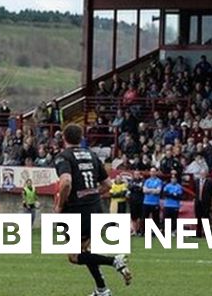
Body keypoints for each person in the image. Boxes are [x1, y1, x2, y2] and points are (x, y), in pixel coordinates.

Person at [54, 123, 132, 296]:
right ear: (81, 138)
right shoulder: (91, 155)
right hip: (95, 208)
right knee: (85, 250)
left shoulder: (63, 157)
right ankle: (102, 289)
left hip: (77, 211)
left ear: (64, 138)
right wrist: (91, 193)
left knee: (74, 257)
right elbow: (108, 185)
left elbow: (66, 182)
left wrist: (60, 205)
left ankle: (114, 261)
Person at [194, 169, 212, 236]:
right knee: (198, 217)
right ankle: (198, 233)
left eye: (203, 174)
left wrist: (208, 197)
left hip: (206, 202)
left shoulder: (210, 182)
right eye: (201, 173)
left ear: (206, 174)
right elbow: (195, 190)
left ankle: (207, 233)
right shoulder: (196, 181)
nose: (202, 175)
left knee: (206, 217)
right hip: (198, 202)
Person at [141, 167, 163, 232]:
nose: (152, 173)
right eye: (151, 171)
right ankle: (143, 231)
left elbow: (158, 191)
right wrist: (153, 190)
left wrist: (149, 190)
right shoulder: (147, 181)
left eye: (154, 171)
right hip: (146, 202)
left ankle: (155, 232)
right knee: (145, 218)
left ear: (156, 172)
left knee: (156, 218)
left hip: (155, 203)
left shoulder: (159, 181)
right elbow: (144, 190)